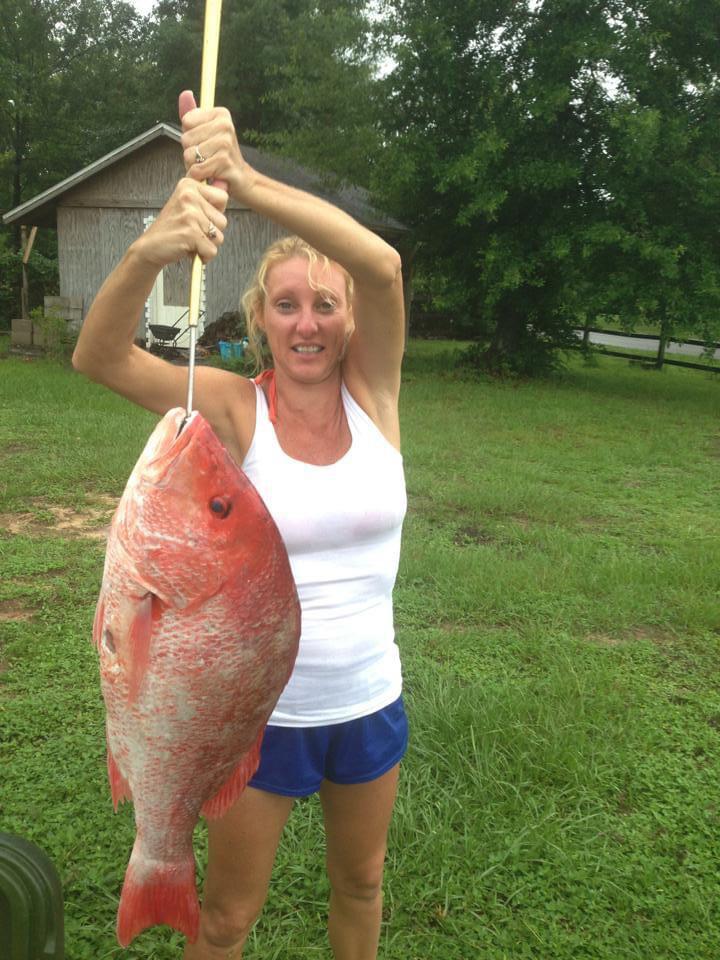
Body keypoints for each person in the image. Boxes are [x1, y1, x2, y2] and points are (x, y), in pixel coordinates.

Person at [72, 90, 407, 960]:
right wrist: (152, 245)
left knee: (363, 884)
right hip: (255, 715)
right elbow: (98, 357)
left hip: (370, 699)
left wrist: (246, 181)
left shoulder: (377, 401)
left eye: (325, 305)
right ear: (260, 317)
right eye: (287, 304)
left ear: (350, 321)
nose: (308, 322)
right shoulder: (228, 410)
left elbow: (381, 265)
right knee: (225, 918)